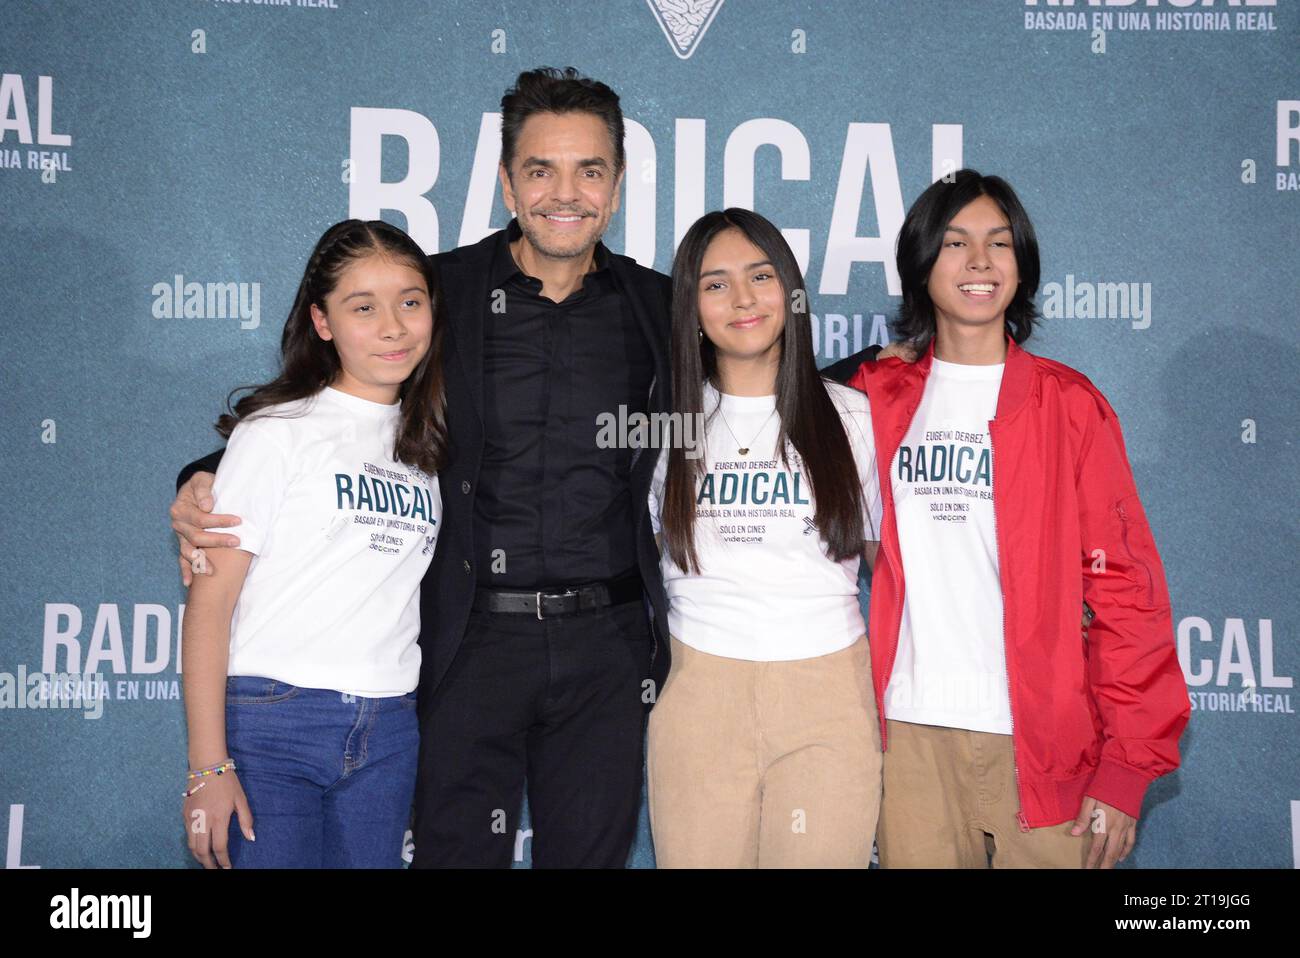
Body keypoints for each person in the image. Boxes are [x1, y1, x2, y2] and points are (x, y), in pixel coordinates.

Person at [170, 68, 672, 868]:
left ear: (617, 186)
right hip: (466, 644)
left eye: (590, 170)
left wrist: (905, 355)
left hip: (606, 653)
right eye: (540, 170)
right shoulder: (440, 290)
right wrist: (204, 476)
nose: (564, 192)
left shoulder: (660, 307)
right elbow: (335, 400)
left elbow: (771, 378)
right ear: (508, 181)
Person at [846, 169, 1190, 869]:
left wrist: (1126, 770)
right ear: (920, 264)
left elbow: (1126, 592)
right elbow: (764, 386)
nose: (979, 262)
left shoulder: (1070, 406)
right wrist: (864, 362)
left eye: (999, 243)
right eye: (954, 243)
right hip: (911, 739)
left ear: (1022, 265)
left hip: (1043, 745)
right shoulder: (875, 399)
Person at [180, 219, 448, 868]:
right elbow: (209, 608)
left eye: (410, 302)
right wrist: (208, 769)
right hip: (273, 721)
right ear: (322, 323)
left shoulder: (434, 444)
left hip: (389, 727)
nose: (392, 326)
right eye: (363, 307)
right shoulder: (276, 433)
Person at [646, 209, 883, 867]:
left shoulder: (855, 419)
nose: (743, 299)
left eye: (761, 276)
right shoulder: (663, 427)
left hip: (828, 696)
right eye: (716, 284)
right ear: (691, 307)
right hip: (699, 697)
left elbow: (893, 574)